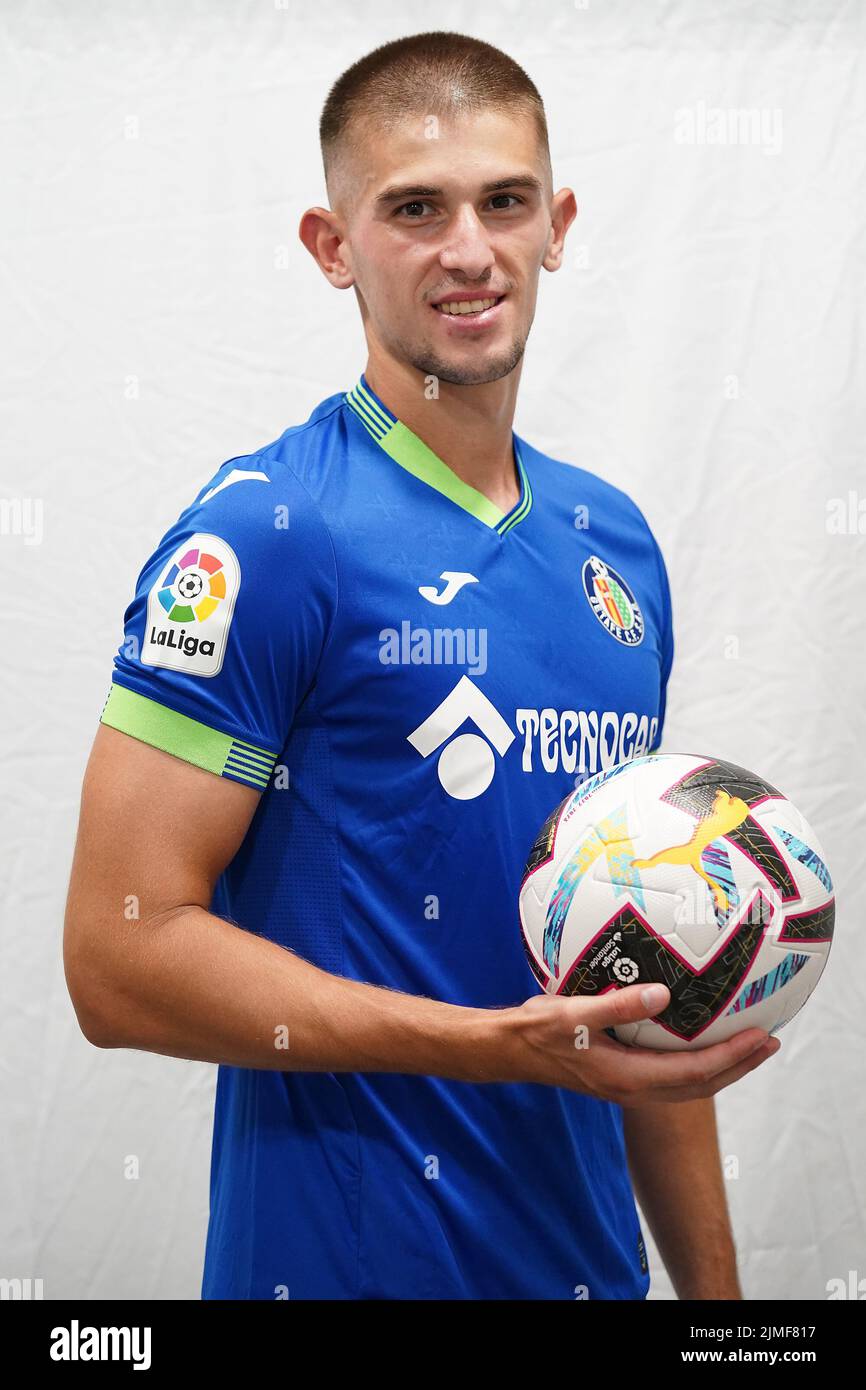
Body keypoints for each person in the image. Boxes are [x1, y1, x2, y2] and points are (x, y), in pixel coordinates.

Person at [64, 30, 779, 1301]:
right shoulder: (264, 535)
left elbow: (647, 977)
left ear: (555, 224)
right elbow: (116, 957)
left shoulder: (610, 545)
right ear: (330, 245)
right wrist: (491, 1047)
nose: (468, 250)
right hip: (345, 1270)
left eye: (503, 201)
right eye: (413, 209)